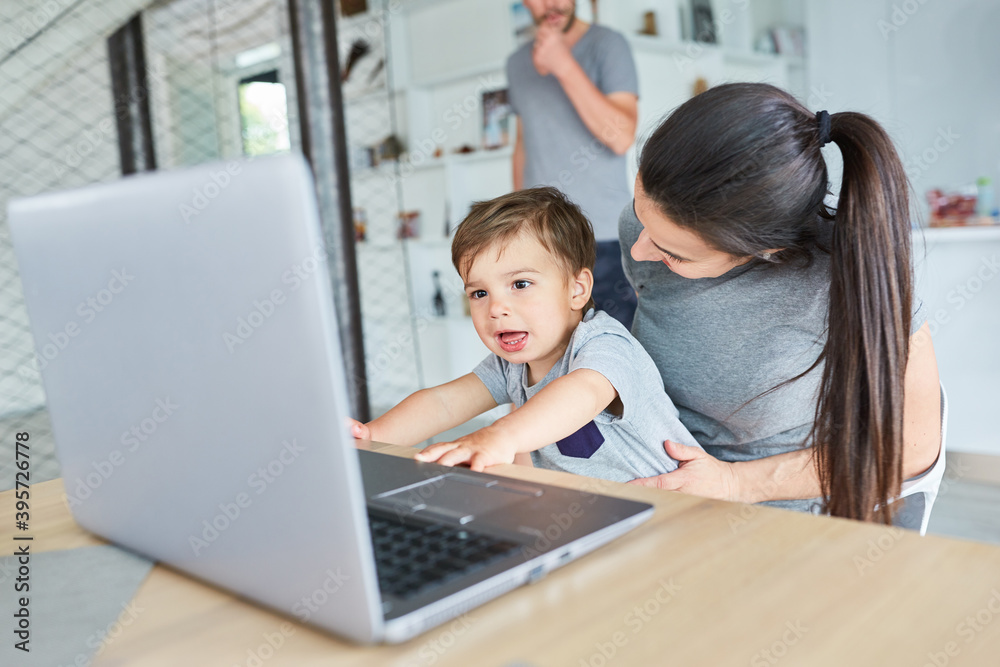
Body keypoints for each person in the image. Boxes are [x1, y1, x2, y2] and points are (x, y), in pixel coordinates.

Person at [621, 82, 942, 525]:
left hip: (778, 515)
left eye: (674, 254)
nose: (639, 251)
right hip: (654, 492)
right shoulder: (658, 222)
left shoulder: (844, 277)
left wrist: (735, 484)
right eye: (640, 217)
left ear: (766, 251)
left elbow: (913, 445)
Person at [349, 187, 700, 483]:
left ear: (577, 290)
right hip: (604, 515)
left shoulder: (604, 344)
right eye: (479, 293)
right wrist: (371, 437)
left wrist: (499, 435)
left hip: (680, 513)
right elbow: (443, 403)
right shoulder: (511, 366)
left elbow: (583, 393)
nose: (496, 308)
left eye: (520, 284)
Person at [508, 0, 639, 328]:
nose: (552, 3)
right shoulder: (515, 63)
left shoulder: (608, 44)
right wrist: (516, 224)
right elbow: (523, 144)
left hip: (605, 240)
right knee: (556, 359)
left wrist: (562, 65)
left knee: (614, 361)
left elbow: (621, 136)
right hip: (543, 241)